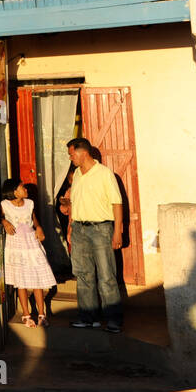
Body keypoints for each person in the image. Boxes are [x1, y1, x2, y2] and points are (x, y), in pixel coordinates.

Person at [66, 137, 124, 332]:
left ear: (83, 152)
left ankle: (114, 320)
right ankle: (88, 318)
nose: (71, 158)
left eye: (72, 154)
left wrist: (118, 232)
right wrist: (70, 227)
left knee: (107, 275)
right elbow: (73, 203)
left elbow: (117, 203)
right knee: (83, 275)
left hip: (101, 230)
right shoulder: (76, 174)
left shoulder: (105, 174)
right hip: (79, 230)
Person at [1, 180, 57, 327]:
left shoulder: (29, 203)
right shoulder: (4, 205)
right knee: (21, 281)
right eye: (22, 187)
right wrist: (4, 222)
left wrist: (38, 228)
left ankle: (41, 313)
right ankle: (26, 314)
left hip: (31, 242)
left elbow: (34, 219)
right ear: (14, 192)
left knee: (37, 278)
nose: (25, 189)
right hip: (16, 244)